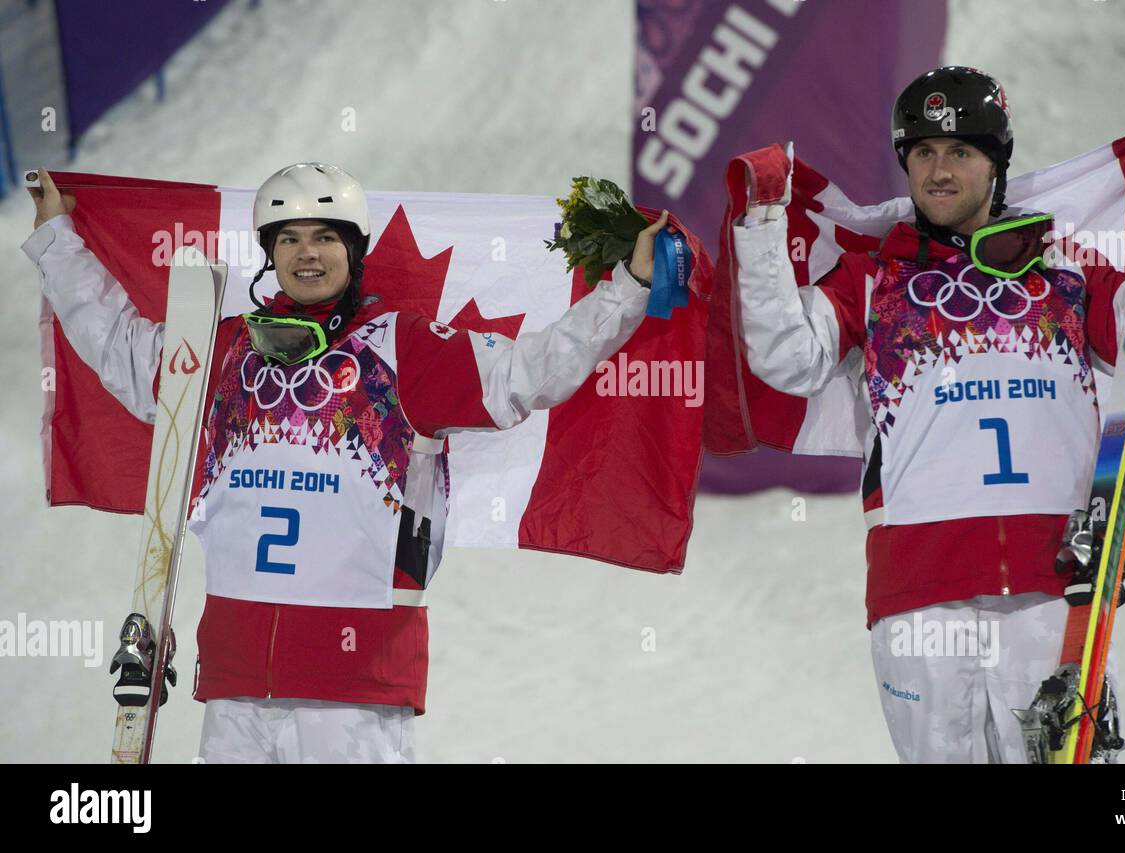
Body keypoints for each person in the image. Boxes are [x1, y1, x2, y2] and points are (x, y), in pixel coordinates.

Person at [25, 162, 668, 763]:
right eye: (290, 238)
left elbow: (533, 370)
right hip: (235, 682)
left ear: (354, 251)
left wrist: (630, 287)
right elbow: (122, 349)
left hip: (356, 689)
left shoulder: (404, 348)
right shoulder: (223, 352)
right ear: (270, 254)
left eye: (326, 237)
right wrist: (58, 240)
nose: (307, 253)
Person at [733, 67, 1125, 762]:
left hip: (1052, 592)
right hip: (919, 598)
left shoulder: (1063, 271)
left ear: (997, 163)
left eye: (961, 152)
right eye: (923, 153)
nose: (939, 170)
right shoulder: (872, 277)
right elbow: (788, 359)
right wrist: (761, 222)